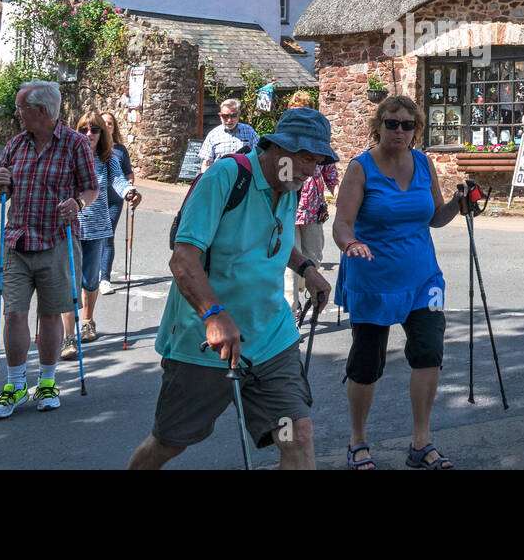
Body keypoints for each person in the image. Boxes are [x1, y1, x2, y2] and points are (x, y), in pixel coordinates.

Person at [128, 107, 337, 470]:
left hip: (271, 335)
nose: (311, 171)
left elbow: (272, 236)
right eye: (306, 159)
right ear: (277, 148)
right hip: (205, 341)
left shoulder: (290, 185)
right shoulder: (227, 177)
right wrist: (214, 314)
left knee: (297, 433)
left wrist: (306, 267)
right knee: (168, 442)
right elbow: (183, 259)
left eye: (317, 162)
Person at [331, 95, 471, 469]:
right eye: (391, 123)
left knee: (428, 353)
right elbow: (342, 224)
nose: (399, 130)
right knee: (366, 362)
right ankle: (358, 440)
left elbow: (435, 217)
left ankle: (420, 442)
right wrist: (352, 243)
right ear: (378, 125)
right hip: (372, 277)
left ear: (416, 129)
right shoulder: (361, 168)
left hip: (424, 279)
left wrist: (459, 203)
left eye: (407, 125)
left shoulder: (424, 163)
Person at [0, 81, 99, 418]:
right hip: (17, 241)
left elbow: (91, 188)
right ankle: (16, 384)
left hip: (56, 240)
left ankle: (47, 382)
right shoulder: (15, 144)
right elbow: (0, 195)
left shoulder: (75, 144)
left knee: (50, 315)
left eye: (21, 108)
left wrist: (78, 203)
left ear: (41, 111)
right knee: (14, 314)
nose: (16, 114)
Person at [61, 113, 141, 357]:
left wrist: (129, 191)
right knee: (69, 281)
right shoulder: (68, 157)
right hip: (70, 225)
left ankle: (87, 321)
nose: (89, 134)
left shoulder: (108, 159)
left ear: (102, 134)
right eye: (84, 129)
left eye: (94, 129)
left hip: (97, 225)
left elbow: (119, 180)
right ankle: (68, 336)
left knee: (90, 280)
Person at [284, 91, 340, 317]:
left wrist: (342, 201)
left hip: (314, 211)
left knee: (313, 258)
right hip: (290, 211)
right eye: (295, 111)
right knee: (291, 264)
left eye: (304, 111)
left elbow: (331, 177)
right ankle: (292, 310)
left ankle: (306, 289)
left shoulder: (319, 145)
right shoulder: (286, 148)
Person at [98, 111, 135, 294]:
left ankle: (104, 278)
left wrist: (129, 188)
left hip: (114, 200)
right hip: (92, 201)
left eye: (110, 123)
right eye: (103, 123)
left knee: (107, 235)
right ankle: (91, 272)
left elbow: (127, 174)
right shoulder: (91, 148)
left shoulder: (119, 150)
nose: (107, 126)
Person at [199, 98, 260, 171]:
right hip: (220, 177)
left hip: (244, 176)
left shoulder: (249, 131)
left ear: (238, 114)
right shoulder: (213, 135)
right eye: (225, 116)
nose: (229, 120)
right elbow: (206, 163)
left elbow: (260, 153)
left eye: (233, 116)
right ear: (220, 116)